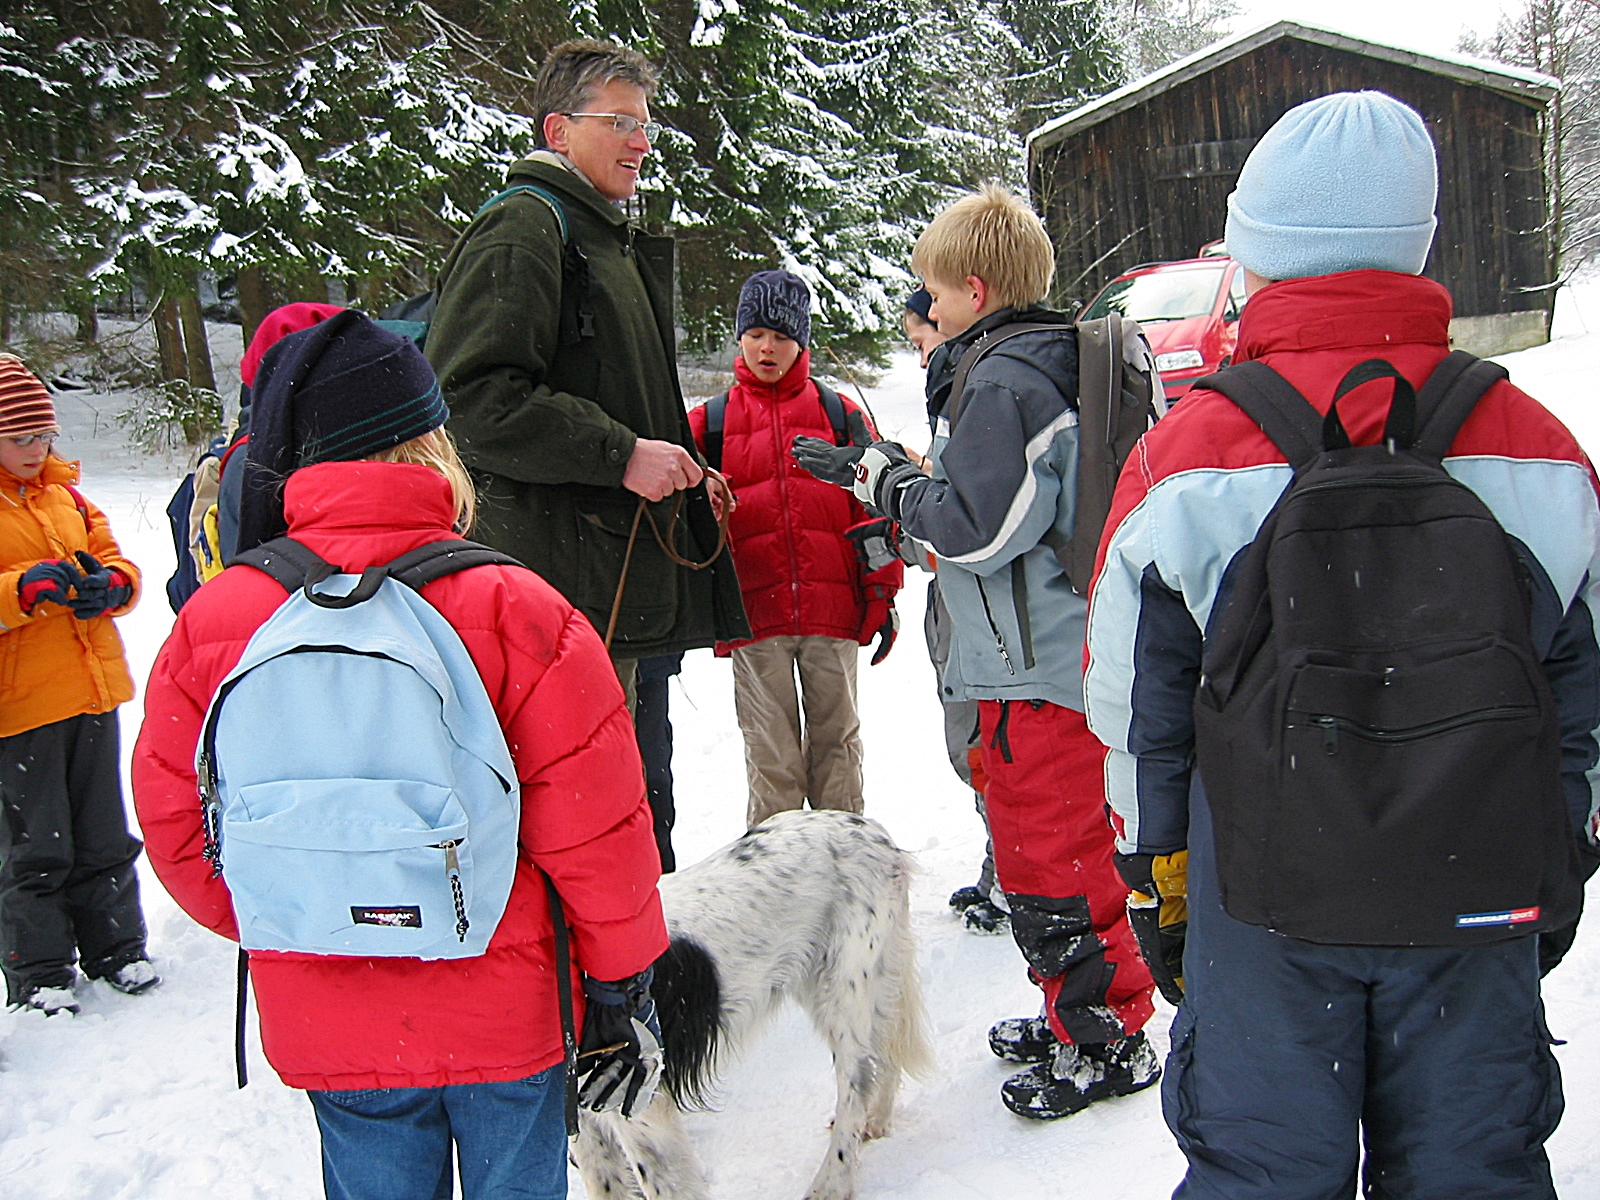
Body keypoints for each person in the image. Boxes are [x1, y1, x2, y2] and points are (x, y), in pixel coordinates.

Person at [1084, 91, 1600, 1197]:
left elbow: (1137, 707)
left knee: (1261, 1172)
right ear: (1414, 247)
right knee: (1473, 1171)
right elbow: (1579, 688)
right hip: (1472, 890)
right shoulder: (1540, 449)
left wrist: (1155, 872)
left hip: (1262, 900)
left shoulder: (1187, 453)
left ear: (1260, 251)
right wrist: (1554, 864)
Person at [133, 313, 669, 1200]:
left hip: (331, 1025)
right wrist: (619, 980)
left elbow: (176, 821)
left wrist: (299, 916)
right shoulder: (514, 608)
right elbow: (599, 829)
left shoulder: (223, 619)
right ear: (430, 444)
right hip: (509, 1011)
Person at [794, 187, 1156, 1120]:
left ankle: (1108, 1036)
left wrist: (887, 480)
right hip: (1036, 658)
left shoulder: (1004, 379)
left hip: (1038, 669)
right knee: (1048, 853)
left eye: (934, 291)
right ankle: (1074, 1009)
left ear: (976, 286)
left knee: (1058, 859)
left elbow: (974, 529)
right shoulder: (1027, 364)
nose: (927, 307)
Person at [425, 38, 746, 705]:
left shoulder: (600, 234)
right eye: (620, 123)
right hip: (558, 594)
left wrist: (682, 468)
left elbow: (611, 388)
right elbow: (471, 400)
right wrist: (622, 454)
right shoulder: (524, 230)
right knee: (576, 794)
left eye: (646, 125)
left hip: (610, 580)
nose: (642, 143)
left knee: (625, 786)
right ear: (558, 130)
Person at [688, 269, 902, 828]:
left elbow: (877, 513)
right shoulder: (708, 424)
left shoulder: (842, 417)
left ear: (801, 341)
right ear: (739, 336)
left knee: (839, 750)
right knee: (771, 757)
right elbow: (680, 518)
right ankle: (776, 880)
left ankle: (845, 868)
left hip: (833, 612)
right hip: (754, 615)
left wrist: (882, 594)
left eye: (781, 336)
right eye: (756, 333)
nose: (767, 347)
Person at [0, 354, 155, 1015]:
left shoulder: (68, 496)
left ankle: (116, 946)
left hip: (90, 692)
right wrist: (21, 589)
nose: (36, 450)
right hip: (20, 707)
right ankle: (38, 969)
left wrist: (112, 587)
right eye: (19, 439)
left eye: (43, 437)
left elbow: (119, 560)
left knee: (102, 831)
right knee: (37, 841)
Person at [904, 288, 1007, 935]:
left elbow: (962, 528)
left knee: (984, 751)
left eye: (922, 340)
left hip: (978, 630)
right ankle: (1007, 868)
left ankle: (1014, 878)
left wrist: (899, 492)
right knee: (979, 752)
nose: (919, 362)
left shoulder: (975, 399)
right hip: (963, 623)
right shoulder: (959, 400)